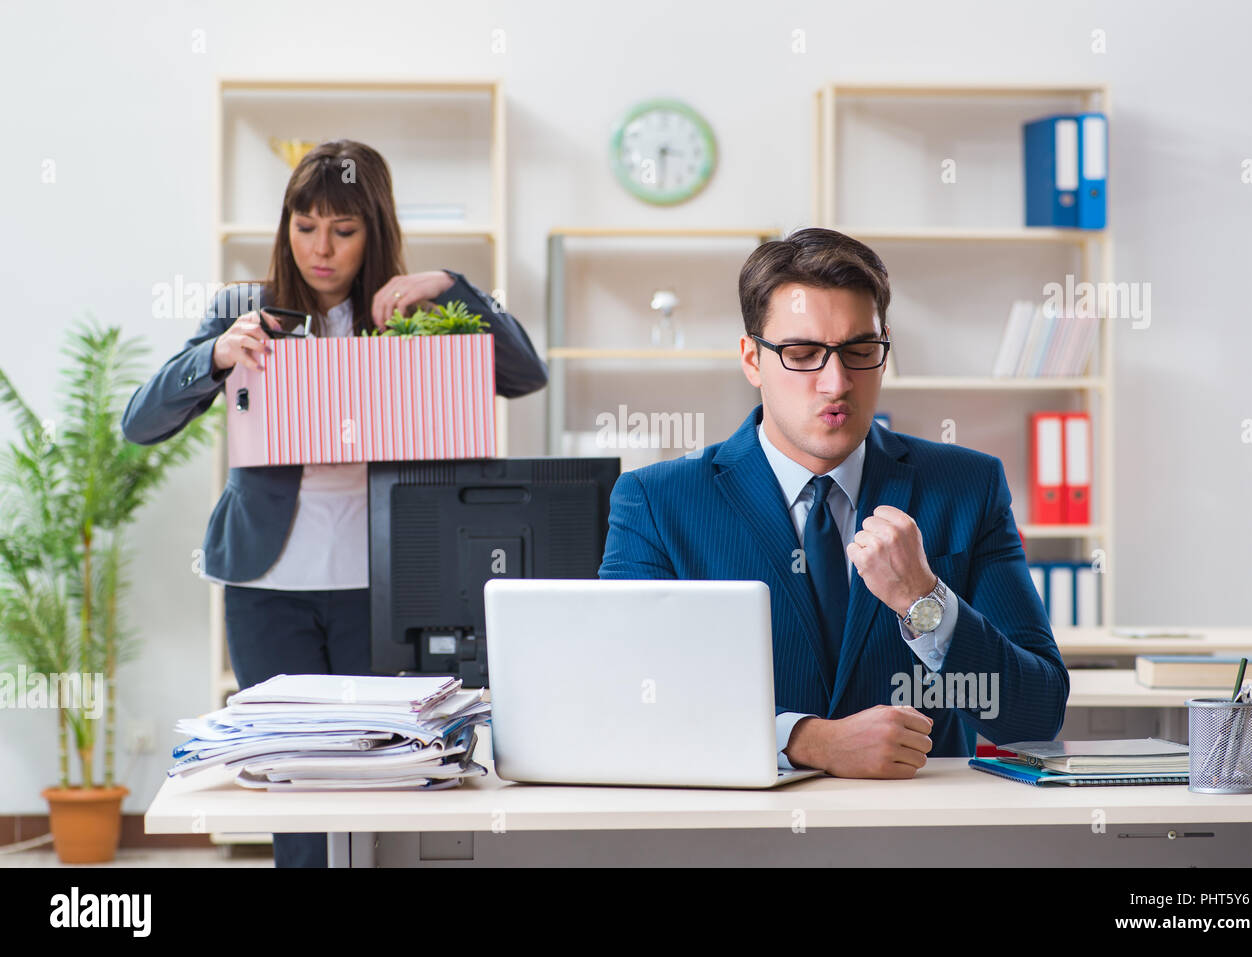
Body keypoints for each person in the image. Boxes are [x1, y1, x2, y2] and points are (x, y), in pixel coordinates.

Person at [121, 140, 547, 865]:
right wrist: (217, 354)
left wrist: (450, 284)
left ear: (373, 231)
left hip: (381, 586)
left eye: (344, 231)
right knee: (295, 782)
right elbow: (141, 421)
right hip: (267, 586)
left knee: (386, 775)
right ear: (285, 225)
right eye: (305, 225)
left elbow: (523, 372)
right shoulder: (244, 310)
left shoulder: (407, 310)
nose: (321, 248)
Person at [598, 227, 1067, 778]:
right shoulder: (656, 501)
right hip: (741, 835)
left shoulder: (968, 486)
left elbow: (1035, 715)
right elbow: (627, 698)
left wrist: (924, 599)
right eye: (802, 353)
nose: (836, 382)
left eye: (860, 351)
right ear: (752, 359)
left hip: (922, 832)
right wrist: (808, 741)